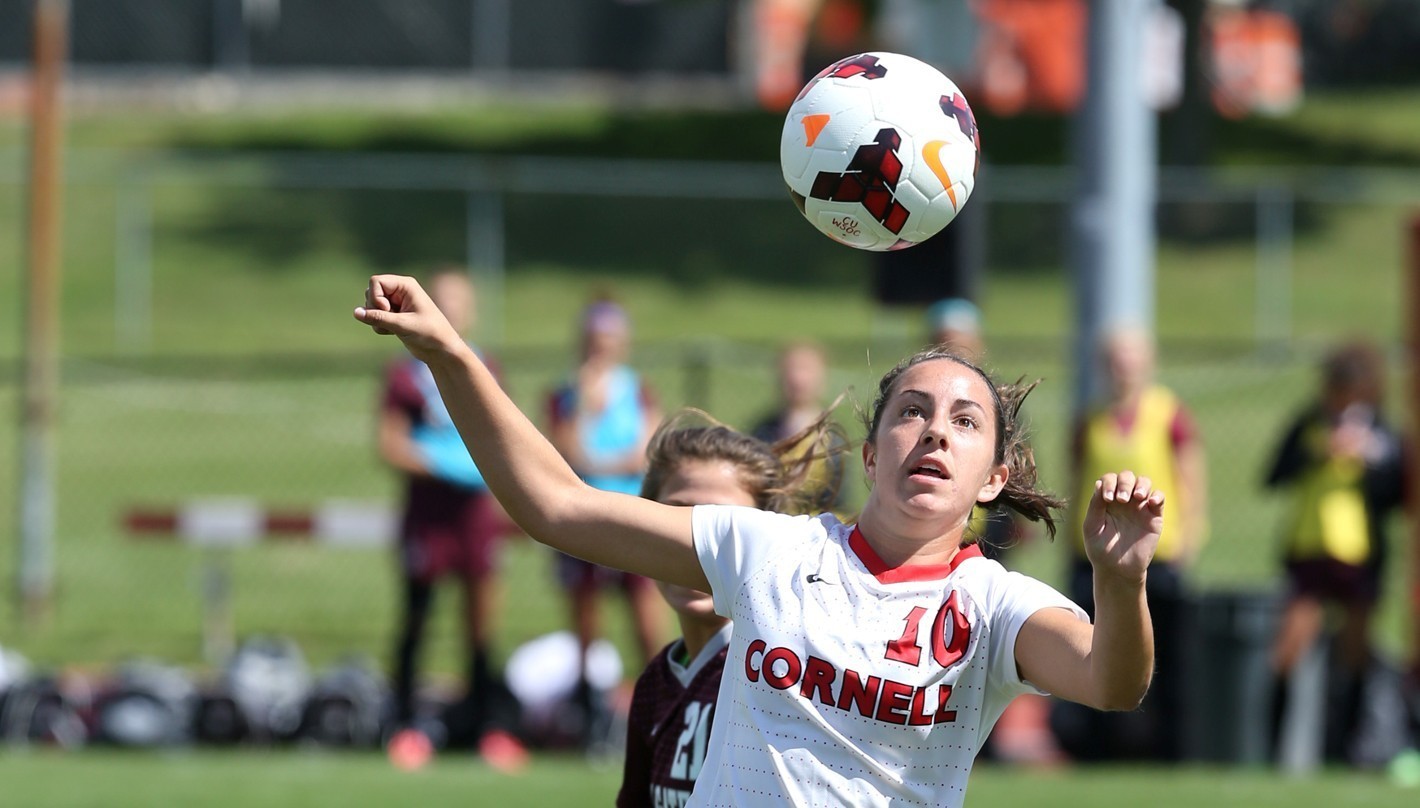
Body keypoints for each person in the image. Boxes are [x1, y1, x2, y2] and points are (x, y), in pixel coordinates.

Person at [354, 274, 1163, 806]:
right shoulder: (772, 551)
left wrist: (1121, 584)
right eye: (912, 411)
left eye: (965, 421)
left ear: (994, 475)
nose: (935, 434)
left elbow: (1112, 681)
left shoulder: (993, 606)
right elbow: (557, 506)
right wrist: (452, 356)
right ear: (872, 451)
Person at [619, 414, 840, 807]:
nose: (696, 546)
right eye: (678, 518)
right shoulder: (656, 681)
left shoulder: (779, 675)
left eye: (723, 528)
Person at [375, 267, 525, 769]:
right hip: (427, 515)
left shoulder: (487, 367)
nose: (449, 310)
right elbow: (389, 445)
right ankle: (403, 725)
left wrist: (481, 468)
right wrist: (445, 464)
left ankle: (486, 727)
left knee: (481, 623)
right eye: (440, 300)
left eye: (458, 301)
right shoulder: (403, 376)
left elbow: (503, 435)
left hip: (475, 518)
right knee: (417, 618)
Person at [1059, 325, 1206, 762]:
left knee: (1167, 658)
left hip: (1160, 556)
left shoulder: (1169, 413)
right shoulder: (1090, 420)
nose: (1124, 366)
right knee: (1095, 651)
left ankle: (1171, 751)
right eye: (1116, 357)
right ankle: (1098, 749)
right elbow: (1074, 479)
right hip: (1095, 558)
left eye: (1132, 356)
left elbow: (1191, 480)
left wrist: (1191, 537)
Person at [1264, 339, 1406, 763]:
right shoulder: (1309, 425)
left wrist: (1371, 461)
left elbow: (1398, 493)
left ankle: (1351, 751)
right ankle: (1274, 751)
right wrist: (1316, 454)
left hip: (1361, 559)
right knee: (1287, 653)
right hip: (1310, 556)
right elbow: (1273, 475)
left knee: (1355, 656)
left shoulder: (1381, 431)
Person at [545, 295, 665, 746]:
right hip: (583, 516)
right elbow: (566, 452)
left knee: (644, 615)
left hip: (631, 513)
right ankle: (587, 707)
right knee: (585, 619)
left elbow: (645, 451)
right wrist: (584, 407)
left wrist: (602, 461)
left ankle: (656, 698)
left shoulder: (637, 390)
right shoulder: (566, 394)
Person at [750, 342, 847, 512]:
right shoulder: (761, 431)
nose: (798, 378)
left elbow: (841, 500)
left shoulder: (834, 437)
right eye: (792, 370)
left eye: (806, 370)